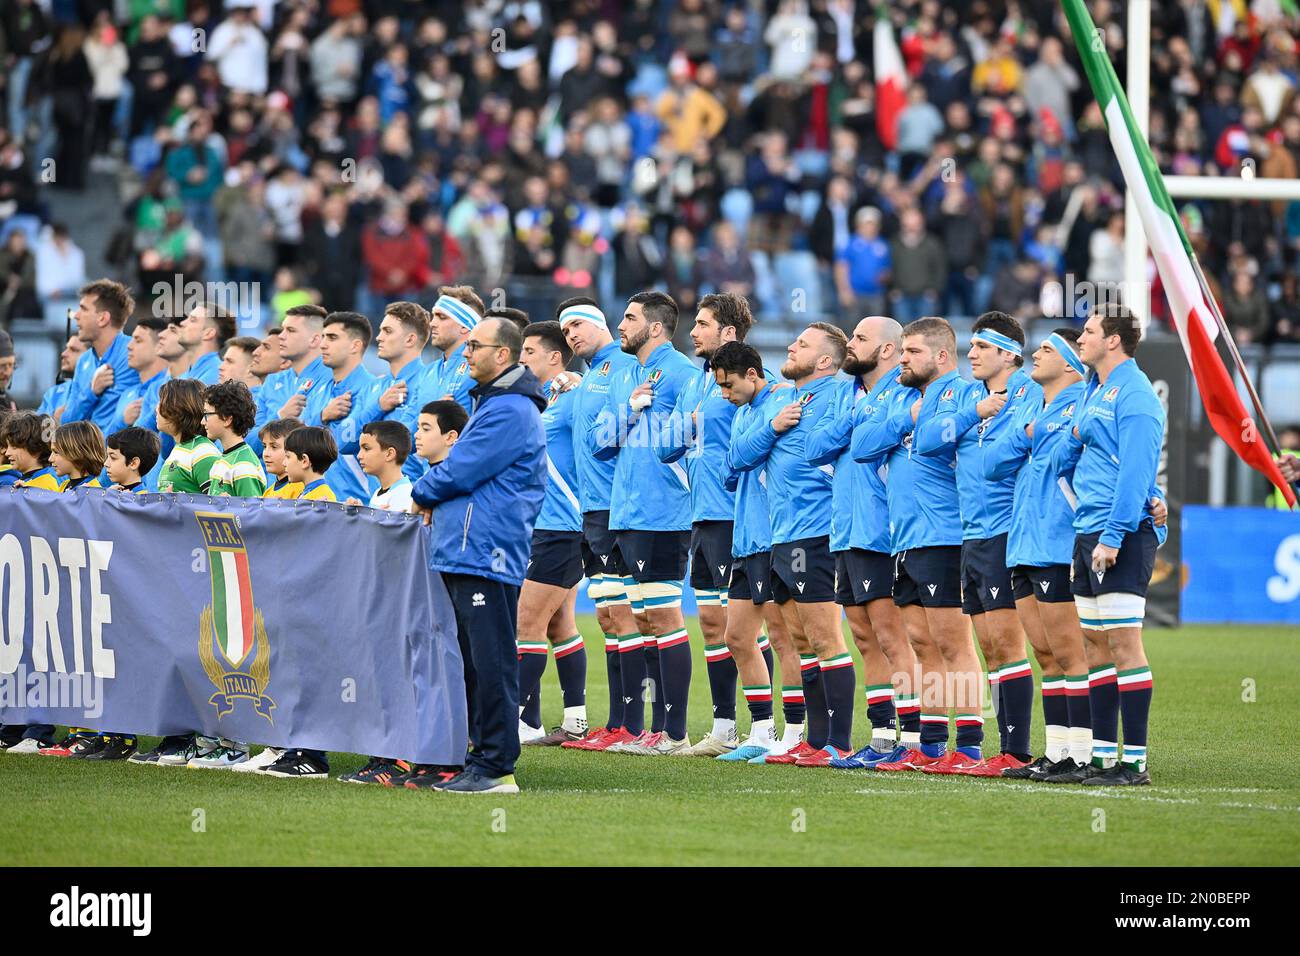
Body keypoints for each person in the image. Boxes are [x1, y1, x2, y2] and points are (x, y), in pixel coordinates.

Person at [409, 317, 548, 794]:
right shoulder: (495, 404)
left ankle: (495, 767)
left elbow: (461, 470)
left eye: (475, 346)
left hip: (485, 552)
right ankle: (480, 758)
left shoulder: (509, 409)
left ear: (503, 355)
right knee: (474, 662)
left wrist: (423, 490)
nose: (466, 353)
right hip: (471, 549)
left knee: (491, 662)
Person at [910, 311, 1041, 775]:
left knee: (1009, 645)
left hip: (1008, 531)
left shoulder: (1030, 393)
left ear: (1008, 353)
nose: (973, 354)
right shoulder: (970, 395)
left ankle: (1016, 750)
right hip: (972, 536)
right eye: (972, 346)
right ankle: (998, 749)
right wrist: (974, 413)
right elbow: (926, 441)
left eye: (982, 348)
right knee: (989, 646)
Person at [728, 323, 858, 767]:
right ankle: (813, 740)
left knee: (825, 637)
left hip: (815, 533)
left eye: (801, 344)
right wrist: (771, 425)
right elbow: (738, 457)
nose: (790, 346)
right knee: (799, 640)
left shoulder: (841, 394)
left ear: (824, 360)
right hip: (778, 535)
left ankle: (837, 743)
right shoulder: (785, 399)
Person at [1049, 304, 1167, 786]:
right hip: (1087, 531)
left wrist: (1115, 535)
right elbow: (1060, 455)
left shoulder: (1135, 395)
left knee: (1123, 643)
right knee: (1094, 645)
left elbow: (1138, 471)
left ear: (1113, 340)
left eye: (1090, 331)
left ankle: (1133, 763)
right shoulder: (1094, 390)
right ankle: (1100, 759)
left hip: (1117, 536)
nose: (1081, 338)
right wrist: (1077, 434)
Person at [852, 318, 973, 772]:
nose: (902, 359)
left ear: (942, 356)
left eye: (913, 352)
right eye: (901, 351)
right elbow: (861, 444)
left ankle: (973, 744)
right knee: (921, 644)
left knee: (953, 645)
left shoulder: (963, 394)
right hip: (904, 539)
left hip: (945, 536)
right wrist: (906, 418)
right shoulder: (903, 399)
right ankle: (933, 745)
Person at [805, 316, 921, 770]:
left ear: (888, 350)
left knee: (894, 639)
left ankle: (913, 738)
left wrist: (859, 426)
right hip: (847, 531)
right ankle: (881, 735)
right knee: (864, 638)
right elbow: (814, 448)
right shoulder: (846, 396)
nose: (849, 345)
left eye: (859, 339)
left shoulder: (907, 392)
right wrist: (855, 418)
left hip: (885, 533)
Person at [656, 292, 766, 757]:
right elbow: (663, 448)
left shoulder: (754, 381)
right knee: (710, 622)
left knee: (744, 627)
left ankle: (766, 727)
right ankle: (724, 727)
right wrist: (688, 424)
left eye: (702, 324)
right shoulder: (697, 384)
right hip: (699, 516)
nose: (693, 331)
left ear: (728, 333)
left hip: (734, 516)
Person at [983, 329, 1095, 780]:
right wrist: (1030, 430)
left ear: (1070, 364)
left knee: (1072, 654)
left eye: (1047, 349)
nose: (1036, 354)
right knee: (1045, 654)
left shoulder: (1084, 403)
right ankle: (1057, 751)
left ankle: (1083, 754)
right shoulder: (1032, 404)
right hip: (1023, 544)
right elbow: (991, 462)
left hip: (1057, 541)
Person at [590, 292, 699, 756]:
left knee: (664, 616)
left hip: (664, 511)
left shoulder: (683, 373)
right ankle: (654, 730)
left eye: (629, 318)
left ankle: (675, 734)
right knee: (641, 619)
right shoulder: (629, 375)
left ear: (655, 327)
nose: (620, 325)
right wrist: (630, 410)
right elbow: (600, 441)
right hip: (627, 511)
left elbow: (695, 431)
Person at [554, 298, 642, 751]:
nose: (570, 336)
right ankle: (617, 722)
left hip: (617, 508)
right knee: (608, 617)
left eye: (576, 325)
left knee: (626, 615)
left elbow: (633, 426)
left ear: (598, 323)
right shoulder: (589, 377)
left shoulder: (625, 365)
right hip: (591, 509)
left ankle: (634, 725)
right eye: (565, 330)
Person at [711, 342, 804, 762]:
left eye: (729, 386)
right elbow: (732, 464)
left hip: (773, 536)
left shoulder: (784, 399)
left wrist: (754, 445)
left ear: (752, 374)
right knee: (736, 636)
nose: (725, 395)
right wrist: (762, 437)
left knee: (784, 638)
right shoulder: (749, 413)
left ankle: (797, 730)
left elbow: (744, 457)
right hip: (745, 538)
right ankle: (762, 730)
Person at [513, 320, 589, 746]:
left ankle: (518, 719)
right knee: (559, 623)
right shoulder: (545, 398)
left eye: (529, 351)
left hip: (562, 525)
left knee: (526, 619)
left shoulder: (574, 394)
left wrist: (583, 380)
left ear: (554, 357)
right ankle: (575, 720)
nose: (522, 358)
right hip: (540, 524)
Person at [257, 426, 339, 778]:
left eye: (288, 455)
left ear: (304, 461)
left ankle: (313, 755)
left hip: (312, 602)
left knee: (309, 677)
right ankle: (294, 748)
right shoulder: (302, 493)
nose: (284, 462)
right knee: (292, 675)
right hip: (293, 598)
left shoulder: (322, 497)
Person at [343, 301, 430, 483]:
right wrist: (378, 407)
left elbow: (409, 443)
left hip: (411, 495)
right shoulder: (375, 386)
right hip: (375, 499)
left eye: (388, 331)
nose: (378, 338)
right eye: (381, 330)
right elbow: (344, 443)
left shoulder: (430, 382)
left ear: (410, 339)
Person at [301, 311, 377, 502]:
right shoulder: (318, 391)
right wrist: (322, 417)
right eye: (324, 337)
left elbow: (349, 442)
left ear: (355, 345)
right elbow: (299, 439)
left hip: (357, 504)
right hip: (317, 502)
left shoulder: (373, 390)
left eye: (332, 337)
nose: (323, 344)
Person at [59, 279, 142, 433]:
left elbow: (134, 417)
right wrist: (91, 392)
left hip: (115, 453)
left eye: (83, 309)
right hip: (89, 454)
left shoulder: (133, 353)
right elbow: (66, 422)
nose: (76, 315)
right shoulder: (84, 360)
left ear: (103, 318)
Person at [415, 286, 483, 420]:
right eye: (434, 316)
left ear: (464, 326)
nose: (432, 323)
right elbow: (407, 425)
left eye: (442, 317)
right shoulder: (427, 372)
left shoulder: (479, 368)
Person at [153, 379, 220, 497]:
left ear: (178, 409)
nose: (156, 408)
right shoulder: (181, 448)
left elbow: (217, 506)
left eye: (162, 403)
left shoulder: (203, 452)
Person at [344, 420, 413, 512]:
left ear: (389, 454)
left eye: (366, 448)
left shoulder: (403, 495)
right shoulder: (378, 492)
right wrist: (361, 514)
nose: (359, 456)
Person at [176, 302, 234, 385]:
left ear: (208, 333)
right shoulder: (184, 377)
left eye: (192, 320)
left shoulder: (218, 377)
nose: (182, 323)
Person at [4, 412, 62, 491]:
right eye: (7, 446)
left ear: (35, 448)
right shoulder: (30, 480)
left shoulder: (46, 483)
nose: (7, 453)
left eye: (14, 447)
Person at [37, 335, 87, 419]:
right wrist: (54, 420)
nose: (63, 354)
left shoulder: (99, 391)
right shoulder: (53, 393)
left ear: (91, 356)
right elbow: (35, 428)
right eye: (66, 348)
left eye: (73, 350)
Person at [257, 417, 305, 500]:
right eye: (264, 446)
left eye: (274, 447)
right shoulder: (268, 492)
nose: (266, 454)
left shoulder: (300, 489)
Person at [50, 421, 106, 491]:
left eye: (56, 452)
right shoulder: (64, 485)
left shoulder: (91, 492)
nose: (50, 459)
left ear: (77, 452)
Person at [105, 426, 161, 492]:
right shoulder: (110, 492)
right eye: (107, 457)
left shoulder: (143, 500)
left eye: (113, 458)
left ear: (133, 463)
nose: (106, 463)